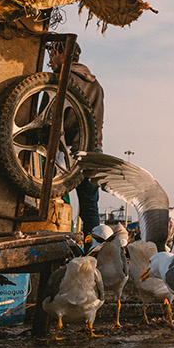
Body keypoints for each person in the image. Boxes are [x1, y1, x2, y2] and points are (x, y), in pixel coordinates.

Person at [64, 43, 105, 235]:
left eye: (52, 52)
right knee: (90, 210)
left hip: (69, 150)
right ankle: (93, 253)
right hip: (94, 150)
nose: (50, 59)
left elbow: (49, 120)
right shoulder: (96, 86)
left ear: (60, 53)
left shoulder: (63, 80)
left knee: (56, 199)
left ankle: (63, 241)